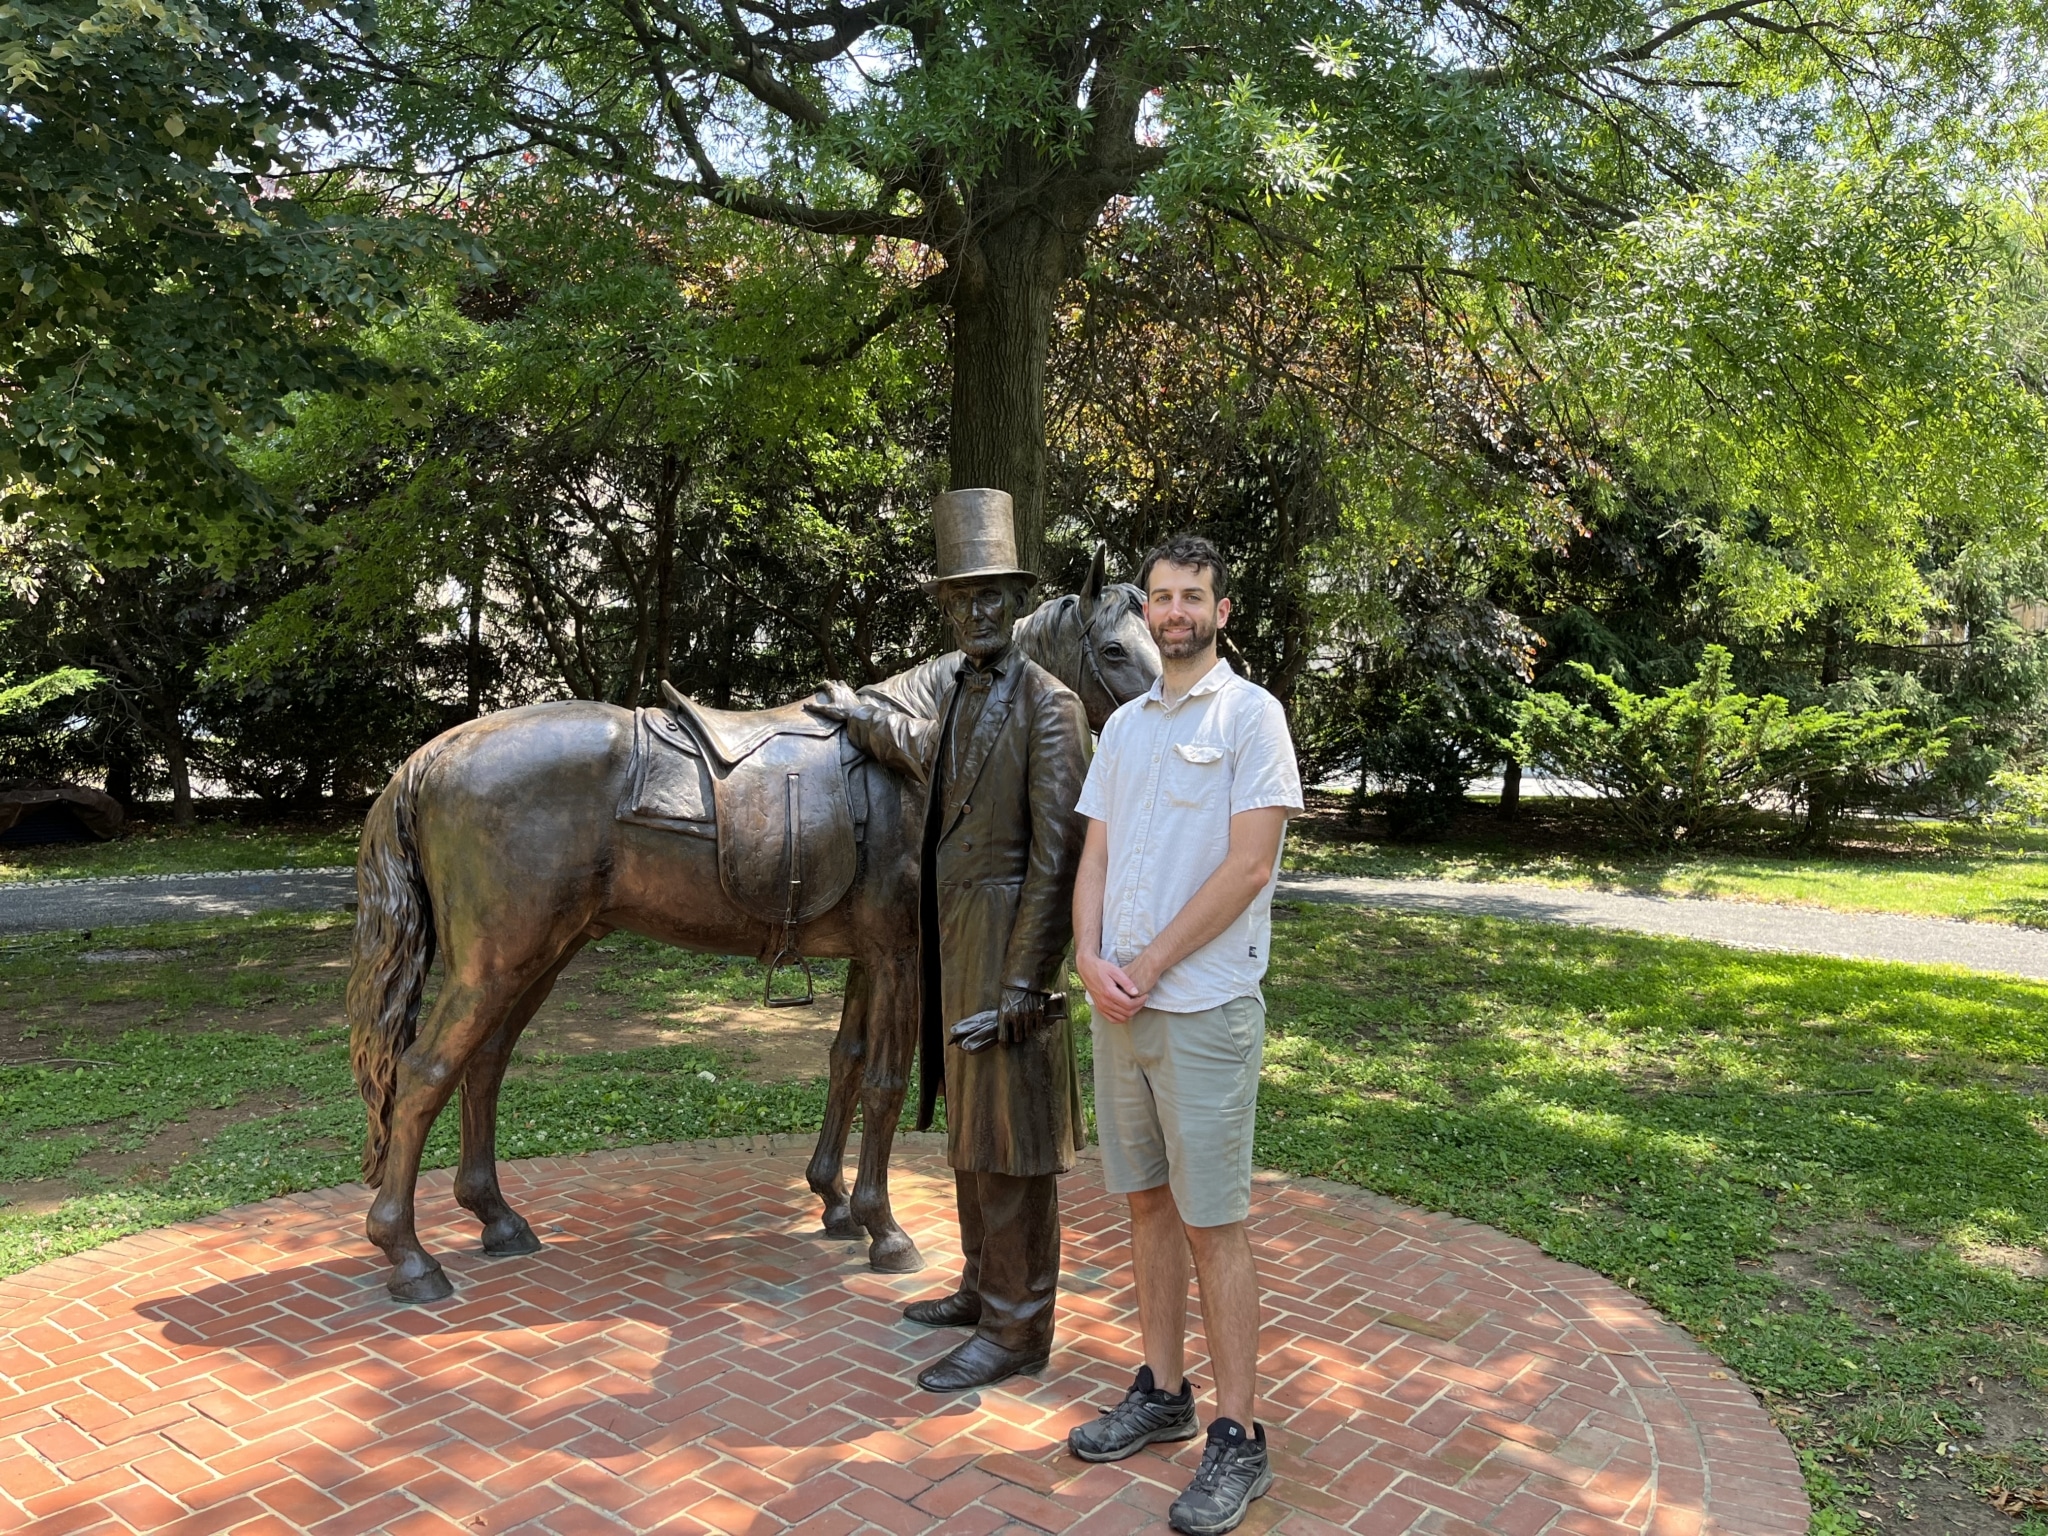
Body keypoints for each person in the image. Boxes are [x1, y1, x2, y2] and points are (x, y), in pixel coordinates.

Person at [818, 488, 1090, 1393]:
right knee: (975, 1132)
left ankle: (1019, 1331)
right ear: (945, 606)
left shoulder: (1051, 707)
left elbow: (1060, 858)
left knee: (1013, 1143)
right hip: (954, 953)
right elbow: (923, 751)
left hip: (1007, 953)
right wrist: (855, 711)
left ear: (1017, 604)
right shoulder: (963, 697)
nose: (978, 612)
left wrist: (1025, 982)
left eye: (992, 597)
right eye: (961, 598)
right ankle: (982, 1288)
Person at [1068, 532, 1302, 1536]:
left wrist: (1150, 963)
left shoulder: (1253, 718)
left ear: (1221, 610)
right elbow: (1094, 856)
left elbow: (1250, 867)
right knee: (1148, 1210)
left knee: (1213, 1223)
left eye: (1190, 596)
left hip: (1200, 1012)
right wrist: (1087, 959)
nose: (1173, 613)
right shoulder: (1122, 727)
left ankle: (1237, 1439)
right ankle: (1161, 1391)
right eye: (1160, 598)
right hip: (1118, 1009)